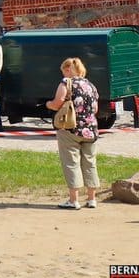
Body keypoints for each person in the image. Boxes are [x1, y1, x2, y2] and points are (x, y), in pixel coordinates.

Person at [45, 57, 100, 209]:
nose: (63, 74)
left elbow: (57, 103)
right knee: (90, 163)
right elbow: (95, 109)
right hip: (91, 129)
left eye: (63, 71)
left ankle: (73, 200)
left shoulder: (66, 83)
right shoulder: (90, 85)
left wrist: (48, 104)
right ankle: (91, 199)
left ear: (68, 69)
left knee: (71, 163)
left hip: (71, 128)